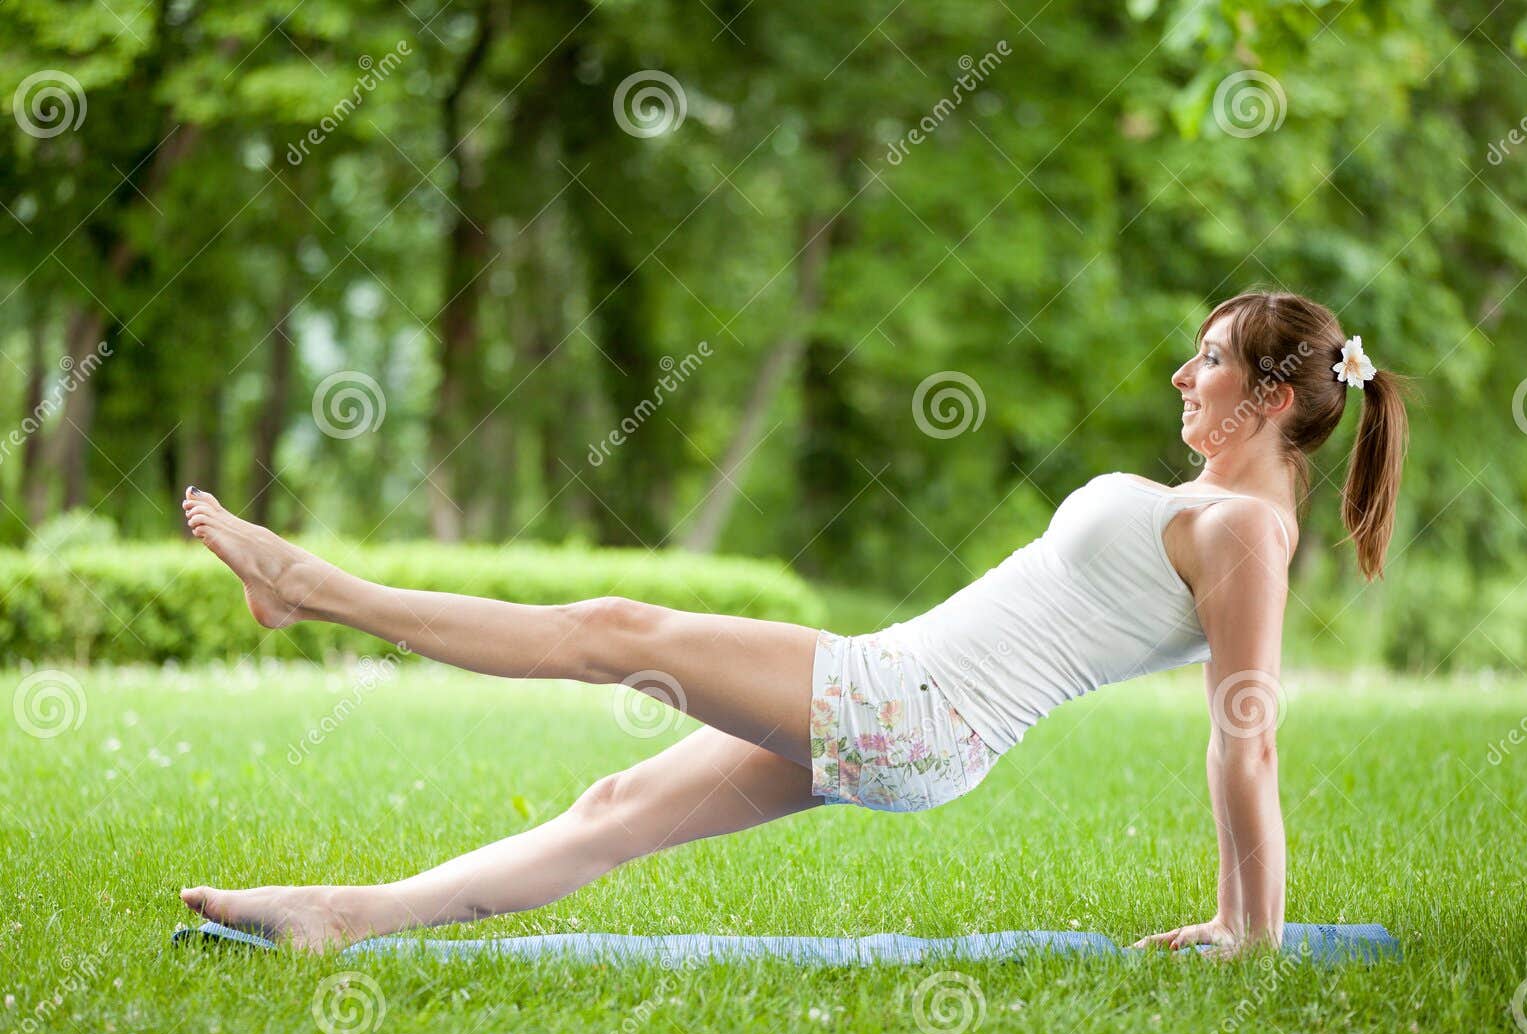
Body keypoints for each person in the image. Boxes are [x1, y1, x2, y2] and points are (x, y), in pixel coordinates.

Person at [178, 289, 1408, 956]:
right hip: (906, 710)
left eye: (1205, 361)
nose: (1181, 379)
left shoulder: (1246, 532)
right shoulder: (1213, 508)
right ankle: (344, 915)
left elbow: (1243, 734)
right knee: (612, 806)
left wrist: (1252, 931)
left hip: (909, 707)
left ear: (1267, 396)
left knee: (611, 626)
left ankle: (307, 587)